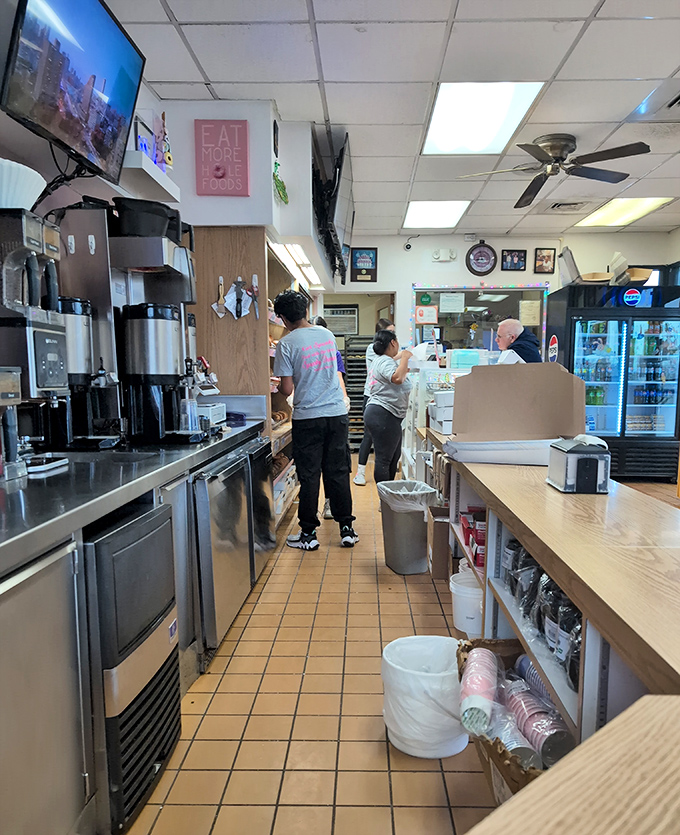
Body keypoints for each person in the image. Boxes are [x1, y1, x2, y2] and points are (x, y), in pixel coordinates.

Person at [272, 290, 358, 550]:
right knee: (338, 471)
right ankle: (346, 529)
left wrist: (277, 385)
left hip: (308, 417)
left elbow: (287, 389)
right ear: (306, 312)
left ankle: (308, 535)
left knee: (309, 475)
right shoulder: (327, 335)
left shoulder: (286, 344)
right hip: (336, 414)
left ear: (283, 318)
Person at [312, 315, 351, 519]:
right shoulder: (303, 350)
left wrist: (344, 398)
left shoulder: (333, 353)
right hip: (312, 413)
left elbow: (338, 377)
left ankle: (329, 504)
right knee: (314, 468)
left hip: (330, 413)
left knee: (332, 465)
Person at [363, 329, 412, 486]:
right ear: (393, 342)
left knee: (392, 458)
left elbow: (398, 376)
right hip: (383, 414)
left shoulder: (384, 360)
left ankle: (387, 498)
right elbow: (397, 378)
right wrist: (405, 356)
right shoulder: (384, 361)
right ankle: (385, 500)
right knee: (384, 460)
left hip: (386, 415)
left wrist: (403, 364)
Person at [354, 318, 395, 486]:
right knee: (368, 435)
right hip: (371, 396)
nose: (393, 337)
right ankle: (360, 472)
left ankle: (387, 481)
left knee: (387, 442)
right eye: (390, 332)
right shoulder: (373, 349)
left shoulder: (392, 352)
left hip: (387, 400)